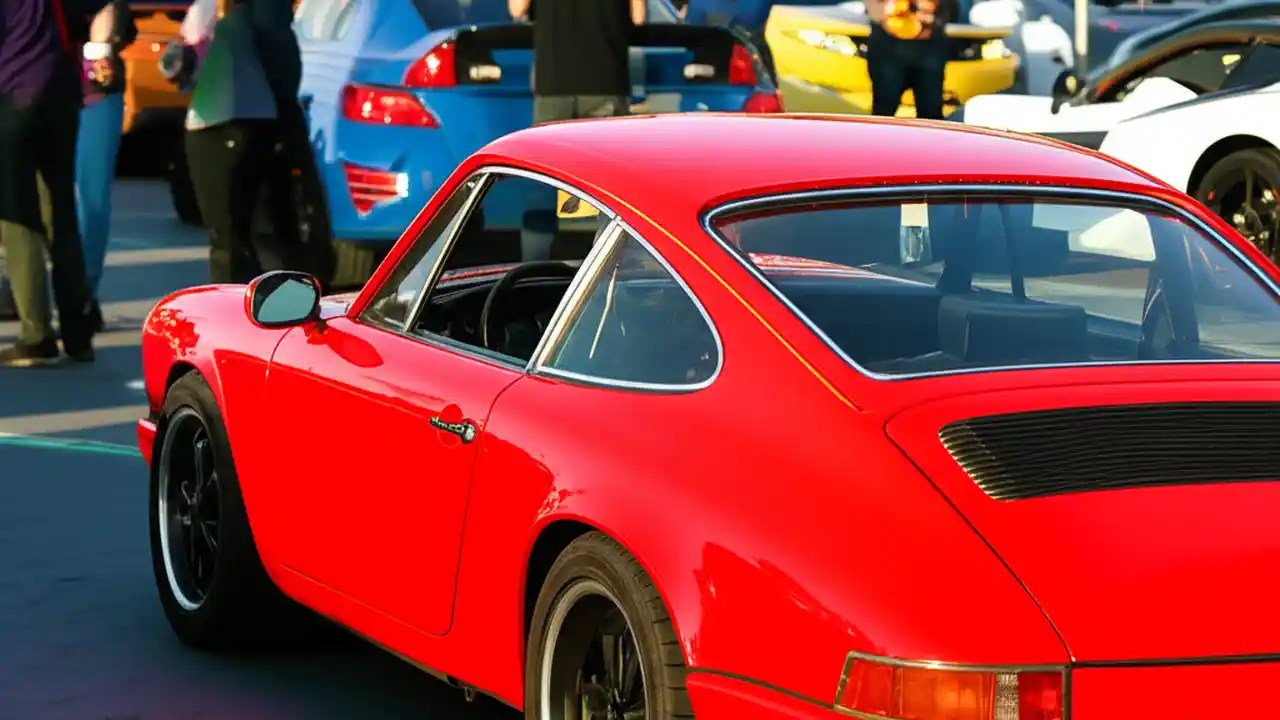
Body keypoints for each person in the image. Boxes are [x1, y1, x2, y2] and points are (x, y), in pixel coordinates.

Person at [163, 0, 306, 284]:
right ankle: (274, 306)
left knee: (228, 240)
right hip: (258, 120)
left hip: (222, 120)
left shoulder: (217, 10)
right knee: (261, 232)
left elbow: (183, 64)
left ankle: (240, 315)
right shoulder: (242, 12)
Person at [0, 0, 104, 366]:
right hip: (60, 95)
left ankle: (36, 334)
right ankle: (78, 333)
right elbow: (89, 17)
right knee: (61, 214)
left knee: (18, 220)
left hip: (14, 95)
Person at [78, 0, 137, 303]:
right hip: (29, 88)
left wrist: (100, 46)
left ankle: (82, 296)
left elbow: (115, 19)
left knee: (90, 201)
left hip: (92, 94)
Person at [508, 0, 646, 125]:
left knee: (550, 152)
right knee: (601, 152)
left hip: (554, 81)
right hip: (605, 79)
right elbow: (638, 17)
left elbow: (517, 9)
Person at [864, 0, 959, 119]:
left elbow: (949, 12)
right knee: (884, 111)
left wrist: (931, 18)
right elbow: (874, 9)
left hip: (929, 50)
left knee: (930, 115)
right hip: (889, 50)